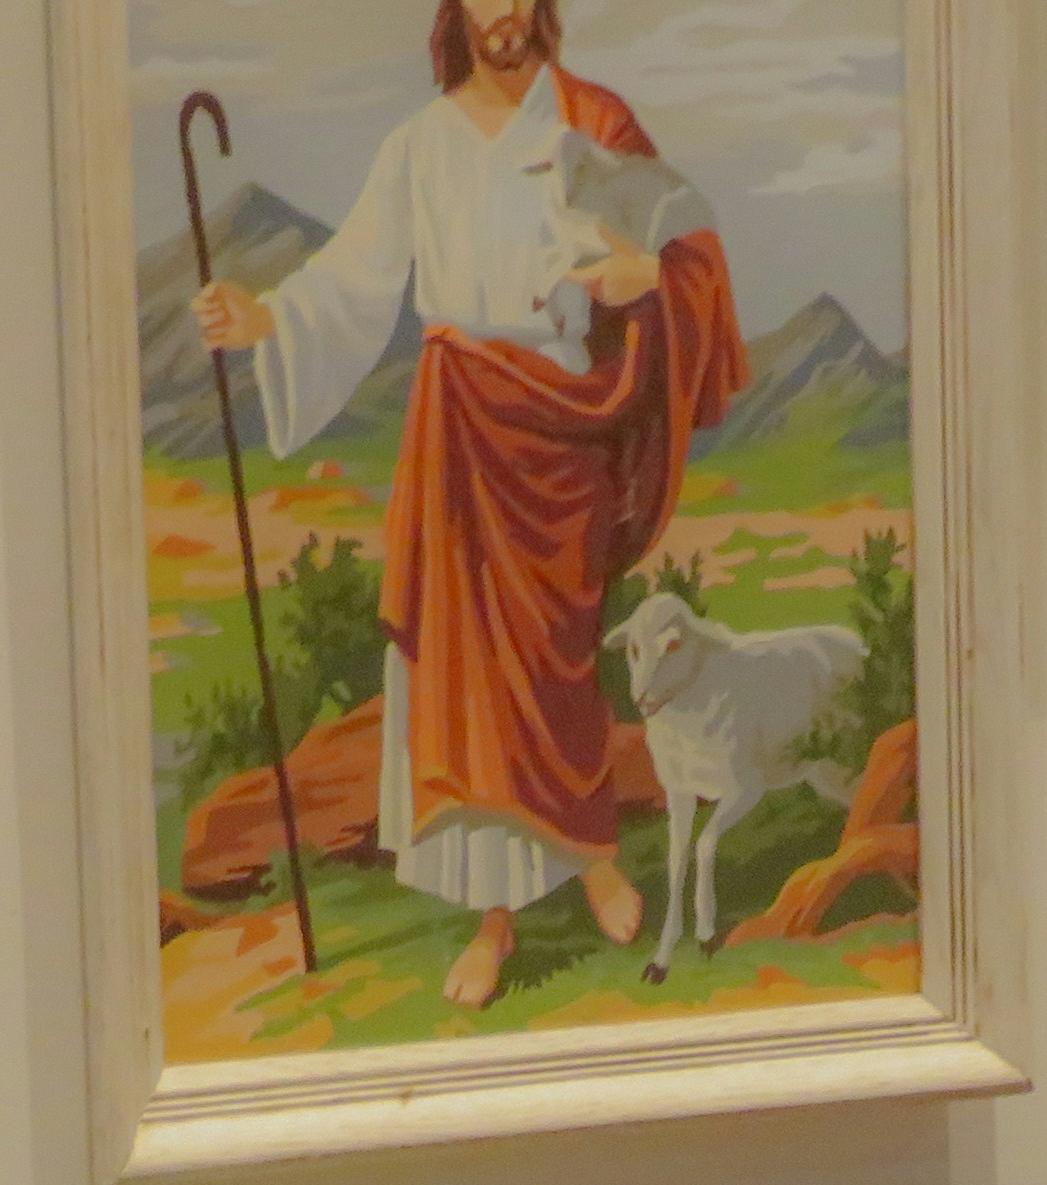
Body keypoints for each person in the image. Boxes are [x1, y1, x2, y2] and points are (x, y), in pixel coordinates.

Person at [197, 2, 747, 1012]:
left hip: (564, 423)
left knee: (561, 662)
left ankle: (593, 859)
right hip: (461, 429)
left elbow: (687, 239)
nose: (504, 13)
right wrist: (265, 318)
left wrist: (647, 275)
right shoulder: (421, 144)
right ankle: (495, 919)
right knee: (467, 679)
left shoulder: (592, 121)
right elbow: (355, 277)